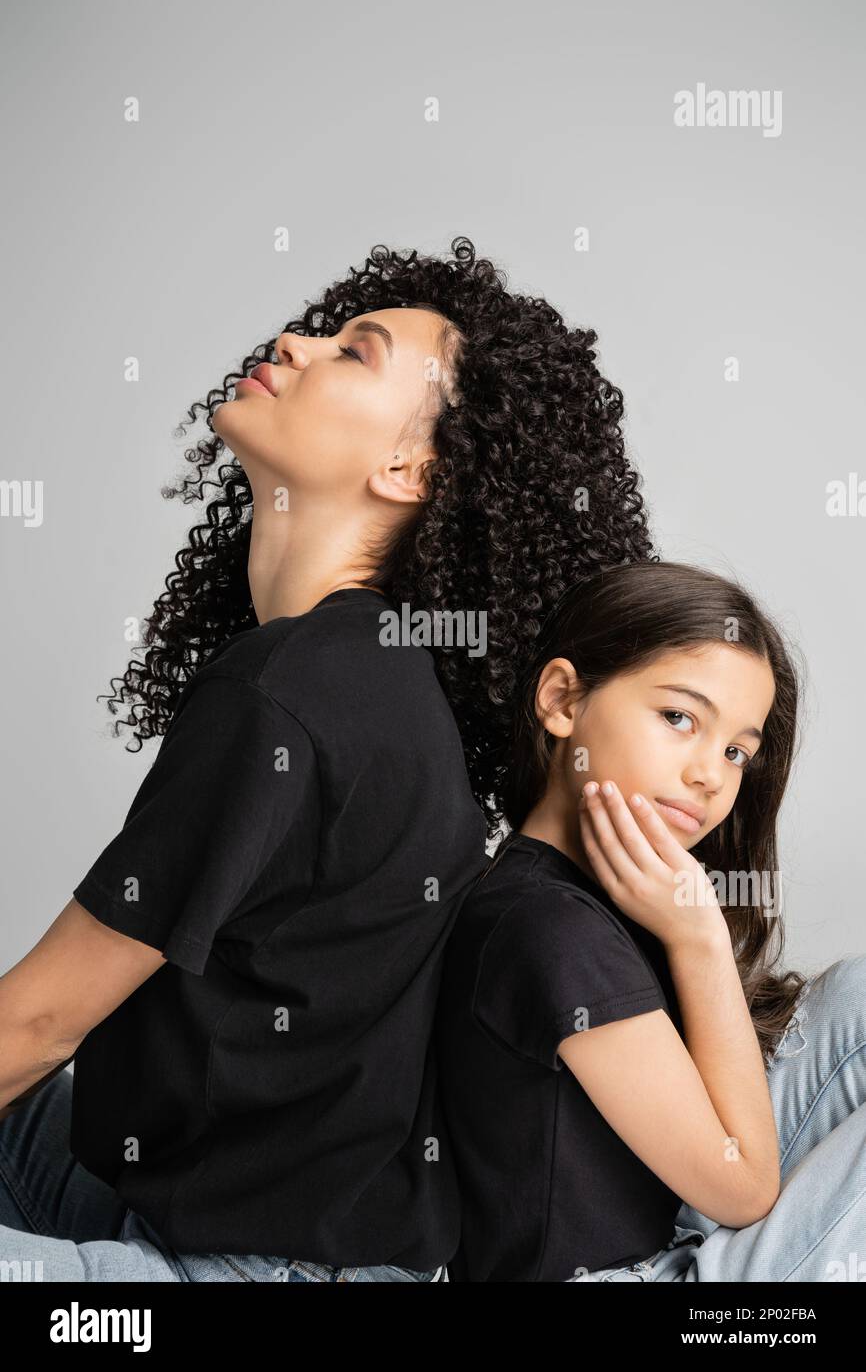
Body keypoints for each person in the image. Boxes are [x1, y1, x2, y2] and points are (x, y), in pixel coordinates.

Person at [0, 236, 658, 1281]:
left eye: (353, 352)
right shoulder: (369, 671)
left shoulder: (285, 692)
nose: (293, 344)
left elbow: (33, 1024)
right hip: (216, 1214)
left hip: (250, 1269)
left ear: (407, 468)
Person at [435, 559, 866, 1282]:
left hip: (676, 1228)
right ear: (563, 700)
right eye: (678, 718)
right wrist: (697, 934)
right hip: (619, 1278)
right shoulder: (550, 930)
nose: (710, 774)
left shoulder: (597, 897)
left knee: (856, 993)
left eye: (736, 751)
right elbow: (744, 1188)